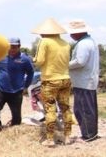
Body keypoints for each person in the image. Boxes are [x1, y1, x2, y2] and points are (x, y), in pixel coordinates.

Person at [32, 18, 75, 147]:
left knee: (50, 108)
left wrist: (33, 59)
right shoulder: (66, 43)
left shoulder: (44, 42)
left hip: (50, 80)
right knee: (65, 108)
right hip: (65, 78)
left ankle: (50, 139)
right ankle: (67, 136)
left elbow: (39, 61)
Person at [66, 19, 100, 142]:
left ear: (78, 32)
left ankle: (88, 135)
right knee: (89, 108)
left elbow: (80, 61)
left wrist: (65, 65)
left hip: (83, 81)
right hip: (88, 80)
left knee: (82, 109)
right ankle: (92, 133)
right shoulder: (90, 42)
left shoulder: (83, 44)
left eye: (72, 33)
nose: (71, 35)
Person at [0, 37, 34, 130]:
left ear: (19, 47)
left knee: (17, 116)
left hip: (17, 90)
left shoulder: (25, 59)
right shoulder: (1, 57)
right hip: (1, 88)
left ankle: (13, 128)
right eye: (10, 47)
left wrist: (26, 86)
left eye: (14, 47)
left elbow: (30, 72)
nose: (12, 49)